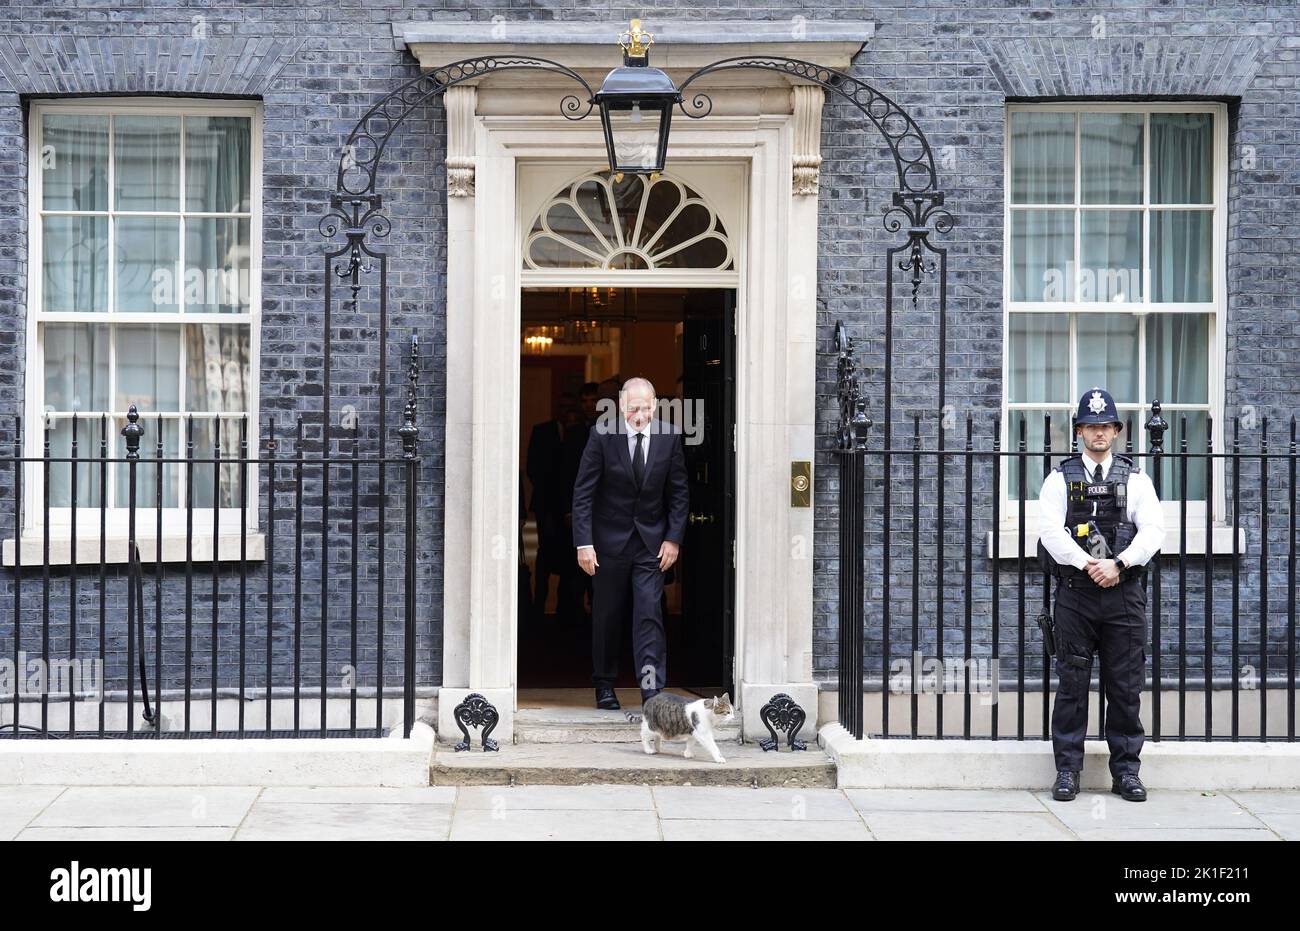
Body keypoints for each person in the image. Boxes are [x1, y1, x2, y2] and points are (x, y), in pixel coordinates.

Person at [1037, 387, 1165, 803]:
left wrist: (1119, 564)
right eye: (1090, 426)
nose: (1098, 433)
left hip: (1123, 597)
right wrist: (1088, 564)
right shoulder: (1059, 479)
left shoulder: (1137, 479)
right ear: (1079, 431)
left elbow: (1154, 531)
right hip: (1076, 594)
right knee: (1072, 684)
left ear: (1116, 431)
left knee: (1125, 687)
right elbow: (1051, 531)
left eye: (1105, 426)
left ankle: (1126, 772)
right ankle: (1067, 771)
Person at [571, 377, 688, 711]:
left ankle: (651, 690)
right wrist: (584, 544)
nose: (641, 415)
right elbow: (583, 493)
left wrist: (673, 539)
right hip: (608, 545)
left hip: (651, 545)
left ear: (655, 406)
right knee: (607, 615)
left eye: (646, 408)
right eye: (634, 408)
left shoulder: (669, 437)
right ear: (622, 407)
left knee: (649, 614)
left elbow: (679, 493)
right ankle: (604, 685)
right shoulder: (602, 435)